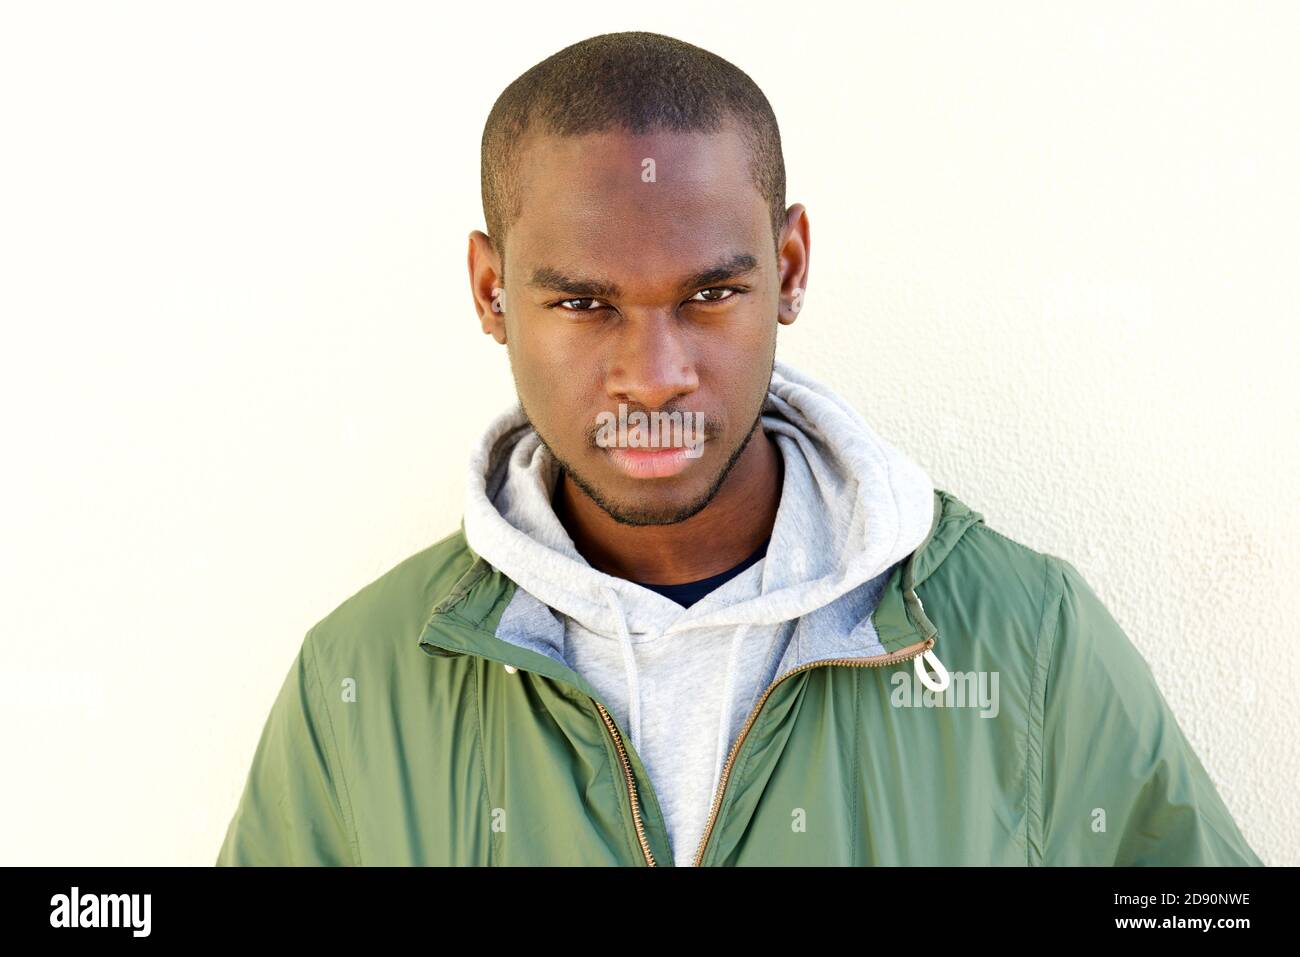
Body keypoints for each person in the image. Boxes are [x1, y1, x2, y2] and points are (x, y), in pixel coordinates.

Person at [217, 31, 1262, 866]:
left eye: (709, 293)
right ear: (493, 292)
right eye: (582, 302)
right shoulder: (360, 679)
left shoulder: (1027, 643)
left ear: (790, 266)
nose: (655, 372)